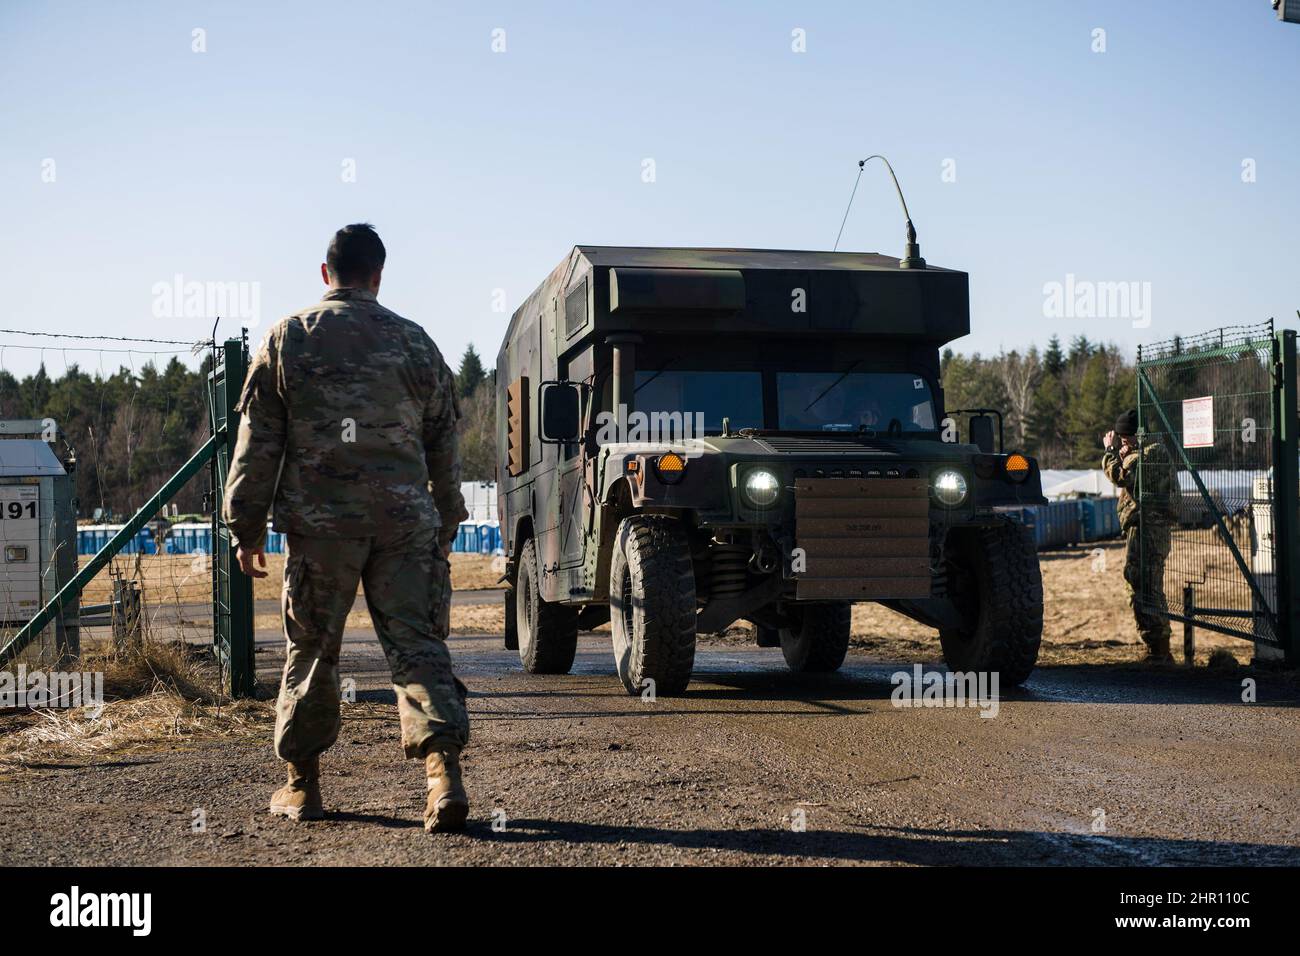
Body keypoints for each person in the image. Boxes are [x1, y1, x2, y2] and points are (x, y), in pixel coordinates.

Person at [223, 223, 472, 832]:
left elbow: (259, 446)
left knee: (312, 651)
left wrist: (245, 526)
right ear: (379, 275)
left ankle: (302, 786)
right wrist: (446, 518)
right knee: (418, 648)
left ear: (324, 272)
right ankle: (443, 779)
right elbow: (446, 442)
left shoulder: (288, 339)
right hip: (405, 525)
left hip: (321, 526)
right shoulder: (416, 344)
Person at [1101, 408, 1177, 663]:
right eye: (1121, 440)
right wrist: (1127, 453)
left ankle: (1160, 649)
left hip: (1149, 530)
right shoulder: (1144, 451)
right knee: (1138, 581)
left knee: (1148, 586)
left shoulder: (1153, 452)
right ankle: (1156, 647)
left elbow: (1121, 476)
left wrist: (1112, 453)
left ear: (1138, 435)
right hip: (1143, 528)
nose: (1123, 443)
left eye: (1126, 439)